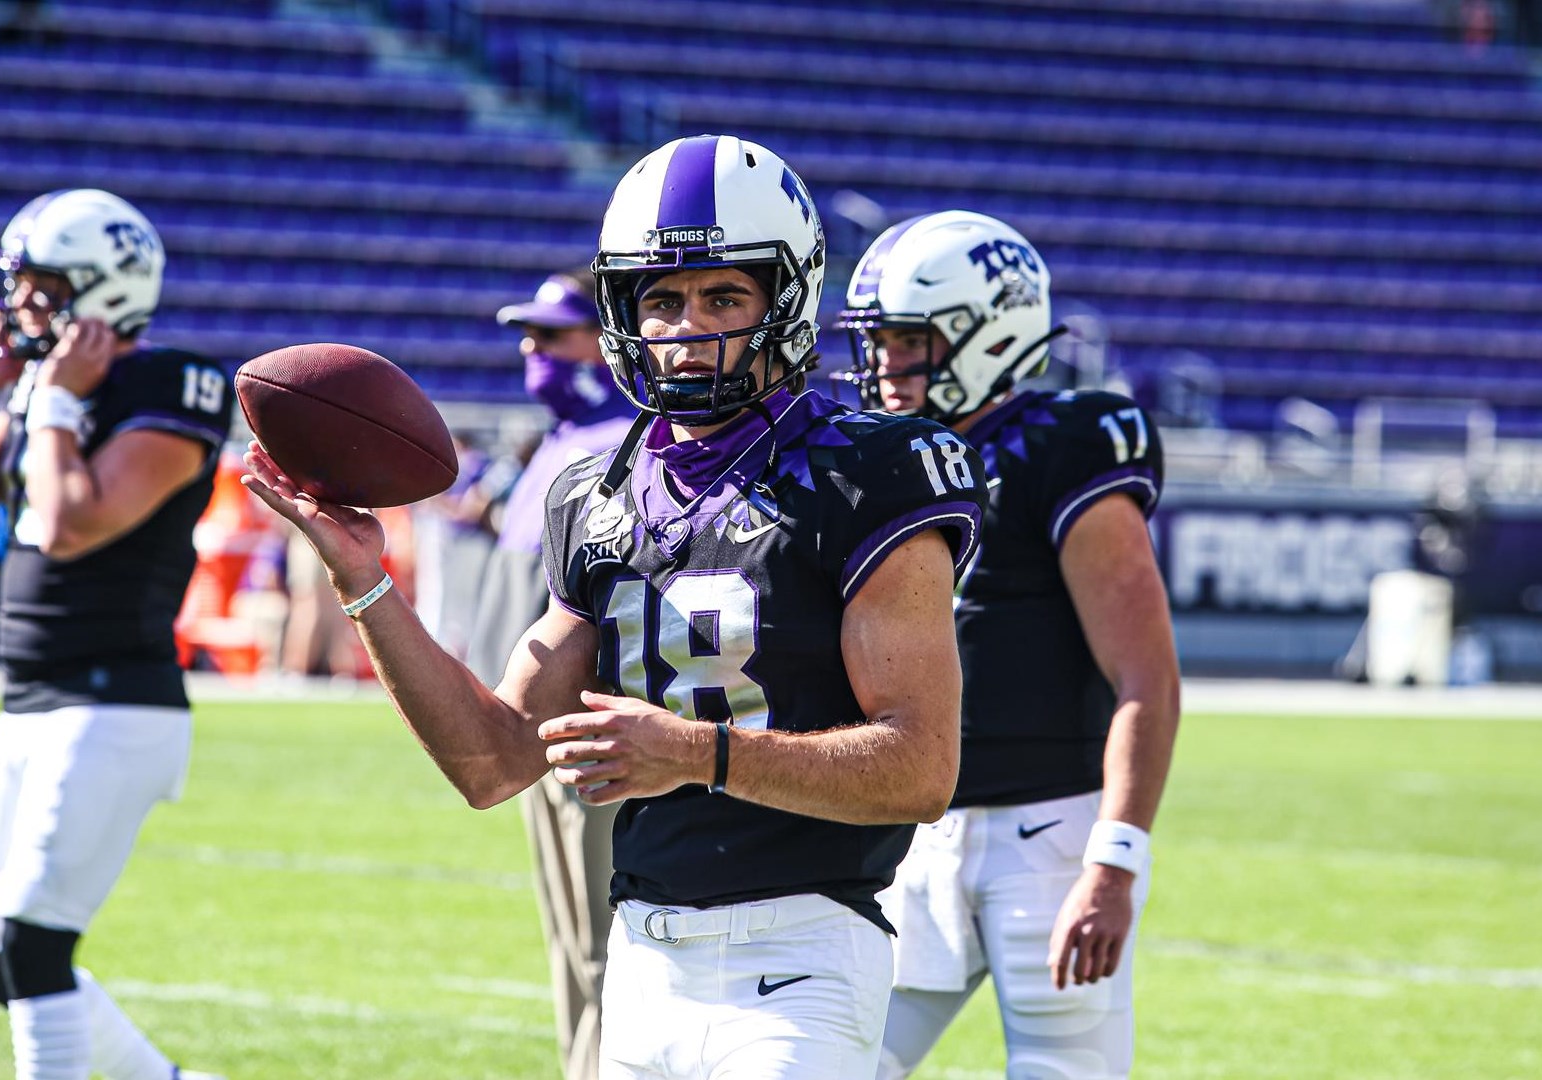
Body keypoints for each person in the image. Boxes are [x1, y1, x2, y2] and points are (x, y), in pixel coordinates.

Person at [243, 133, 985, 1080]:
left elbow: (921, 768)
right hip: (639, 960)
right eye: (661, 300)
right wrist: (364, 581)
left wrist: (697, 753)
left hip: (803, 955)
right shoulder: (594, 492)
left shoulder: (869, 470)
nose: (686, 327)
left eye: (723, 297)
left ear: (786, 300)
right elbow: (492, 760)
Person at [834, 210, 1181, 1080]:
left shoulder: (1062, 444)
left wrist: (1115, 861)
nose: (883, 364)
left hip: (1048, 840)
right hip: (912, 832)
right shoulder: (887, 457)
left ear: (991, 333)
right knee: (834, 1063)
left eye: (908, 340)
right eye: (878, 341)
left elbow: (1144, 673)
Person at [0, 188, 230, 1080]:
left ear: (108, 290)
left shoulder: (172, 383)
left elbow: (70, 524)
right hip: (30, 701)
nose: (21, 305)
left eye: (44, 288)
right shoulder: (40, 388)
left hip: (115, 702)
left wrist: (55, 403)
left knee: (33, 941)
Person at [473, 266, 640, 1080]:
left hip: (587, 731)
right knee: (569, 944)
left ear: (603, 341)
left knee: (607, 946)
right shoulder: (557, 440)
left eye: (550, 333)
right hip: (529, 730)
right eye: (526, 335)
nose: (531, 350)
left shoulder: (627, 441)